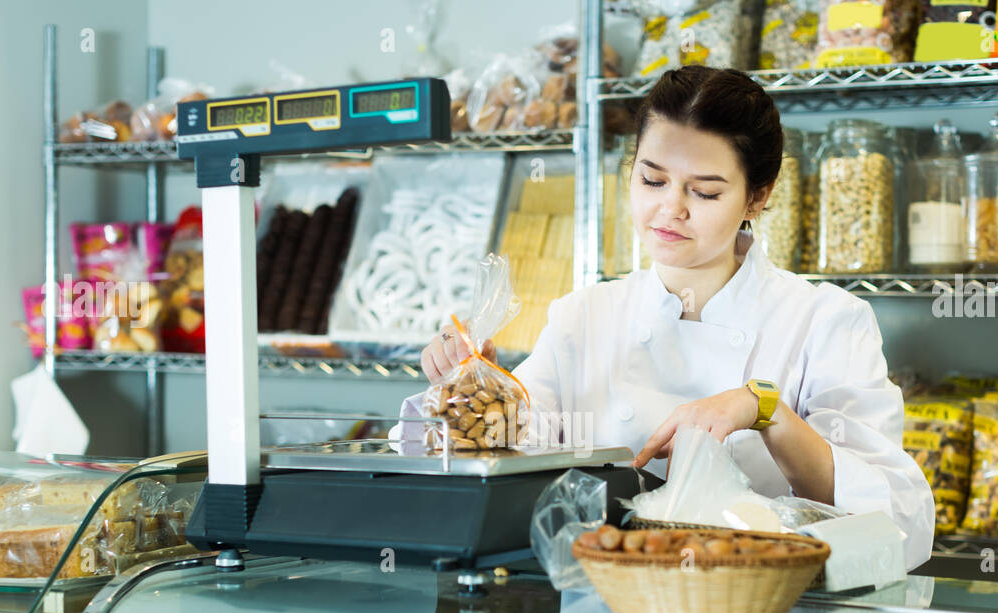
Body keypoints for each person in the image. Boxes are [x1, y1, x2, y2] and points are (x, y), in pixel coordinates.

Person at [396, 65, 934, 568]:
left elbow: (899, 527)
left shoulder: (825, 321)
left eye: (703, 191)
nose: (670, 209)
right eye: (652, 181)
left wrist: (765, 409)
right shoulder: (583, 317)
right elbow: (504, 461)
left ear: (758, 196)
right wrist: (472, 392)